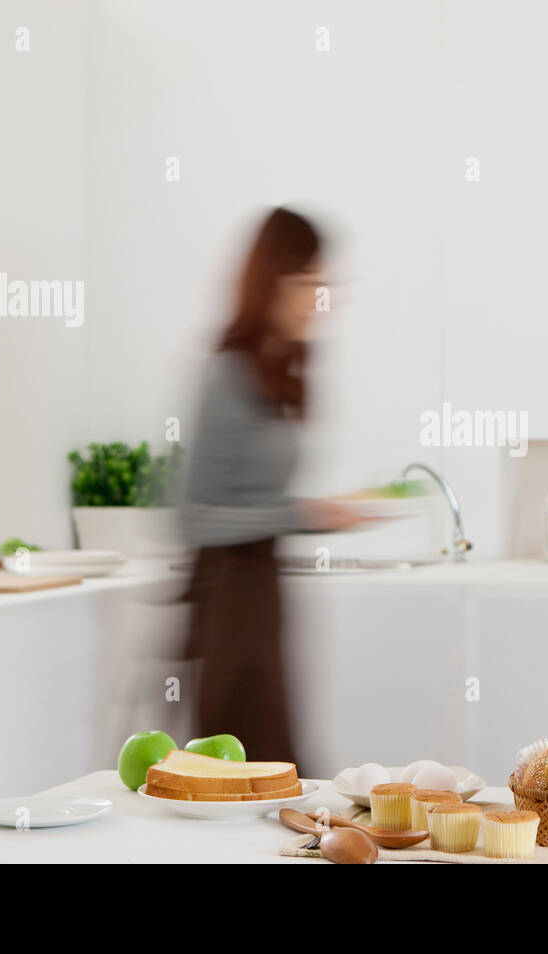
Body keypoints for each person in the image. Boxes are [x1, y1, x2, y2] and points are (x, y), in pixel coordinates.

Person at [179, 207, 358, 764]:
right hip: (227, 605)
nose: (320, 300)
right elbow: (191, 517)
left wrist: (303, 514)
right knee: (247, 777)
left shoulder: (275, 371)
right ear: (271, 282)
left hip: (261, 596)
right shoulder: (227, 376)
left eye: (324, 284)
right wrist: (301, 514)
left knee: (277, 772)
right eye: (306, 284)